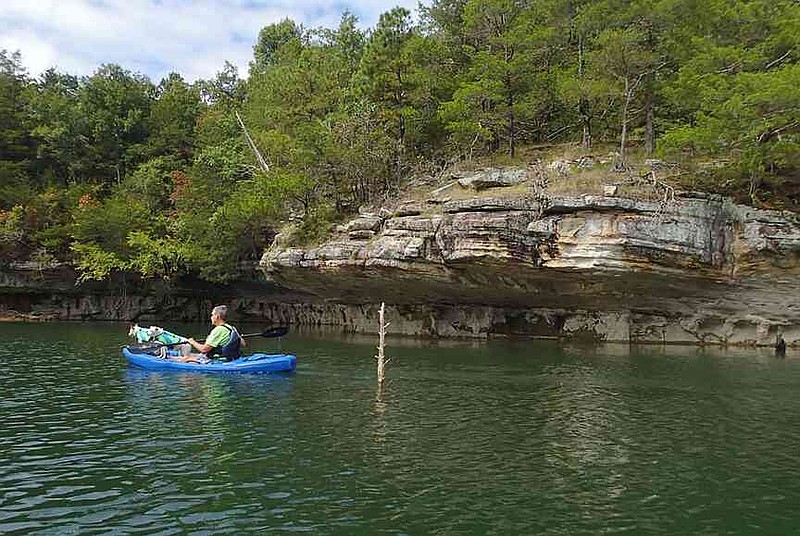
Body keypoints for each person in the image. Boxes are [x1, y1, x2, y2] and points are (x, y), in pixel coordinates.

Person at [177, 305, 246, 363]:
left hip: (218, 360)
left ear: (217, 317)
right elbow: (243, 344)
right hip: (232, 358)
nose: (211, 317)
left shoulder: (218, 330)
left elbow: (204, 349)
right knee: (194, 355)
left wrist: (192, 342)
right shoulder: (232, 328)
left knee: (185, 358)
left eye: (212, 315)